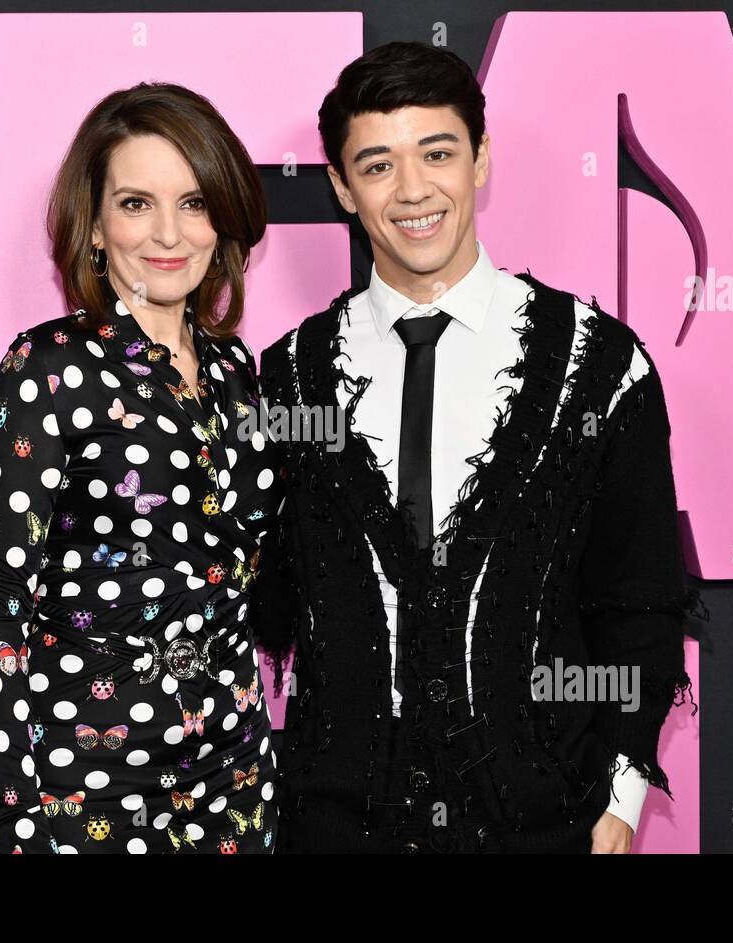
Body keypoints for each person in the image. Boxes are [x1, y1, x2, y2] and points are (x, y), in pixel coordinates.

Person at [250, 42, 708, 854]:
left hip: (546, 821)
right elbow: (272, 596)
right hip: (336, 823)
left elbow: (638, 597)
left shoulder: (598, 366)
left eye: (438, 153)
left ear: (480, 159)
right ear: (343, 188)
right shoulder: (287, 379)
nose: (414, 189)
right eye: (378, 164)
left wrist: (625, 793)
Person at [0, 82, 280, 853]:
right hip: (89, 790)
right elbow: (0, 606)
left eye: (195, 203)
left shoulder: (236, 368)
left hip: (233, 780)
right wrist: (14, 812)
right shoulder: (47, 369)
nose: (168, 232)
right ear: (96, 227)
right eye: (137, 203)